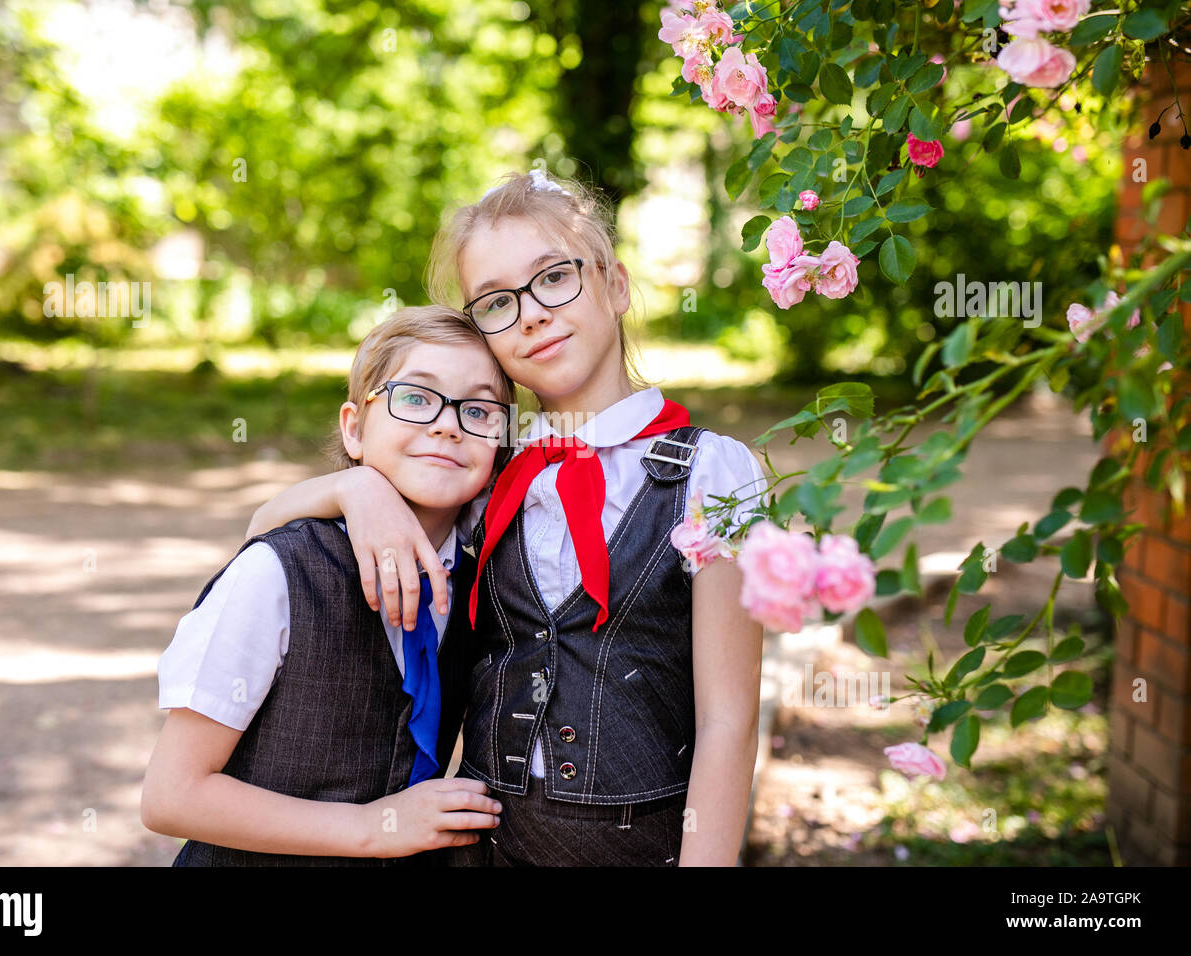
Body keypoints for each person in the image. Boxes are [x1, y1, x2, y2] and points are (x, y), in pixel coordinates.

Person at [245, 169, 767, 866]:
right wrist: (356, 492)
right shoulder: (483, 473)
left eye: (553, 278)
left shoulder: (713, 472)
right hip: (485, 849)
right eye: (495, 302)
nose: (531, 314)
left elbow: (728, 721)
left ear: (615, 284)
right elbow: (260, 529)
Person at [140, 305, 513, 865]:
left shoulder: (484, 578)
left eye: (479, 409)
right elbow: (171, 797)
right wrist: (370, 827)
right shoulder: (278, 573)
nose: (447, 423)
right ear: (354, 429)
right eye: (415, 397)